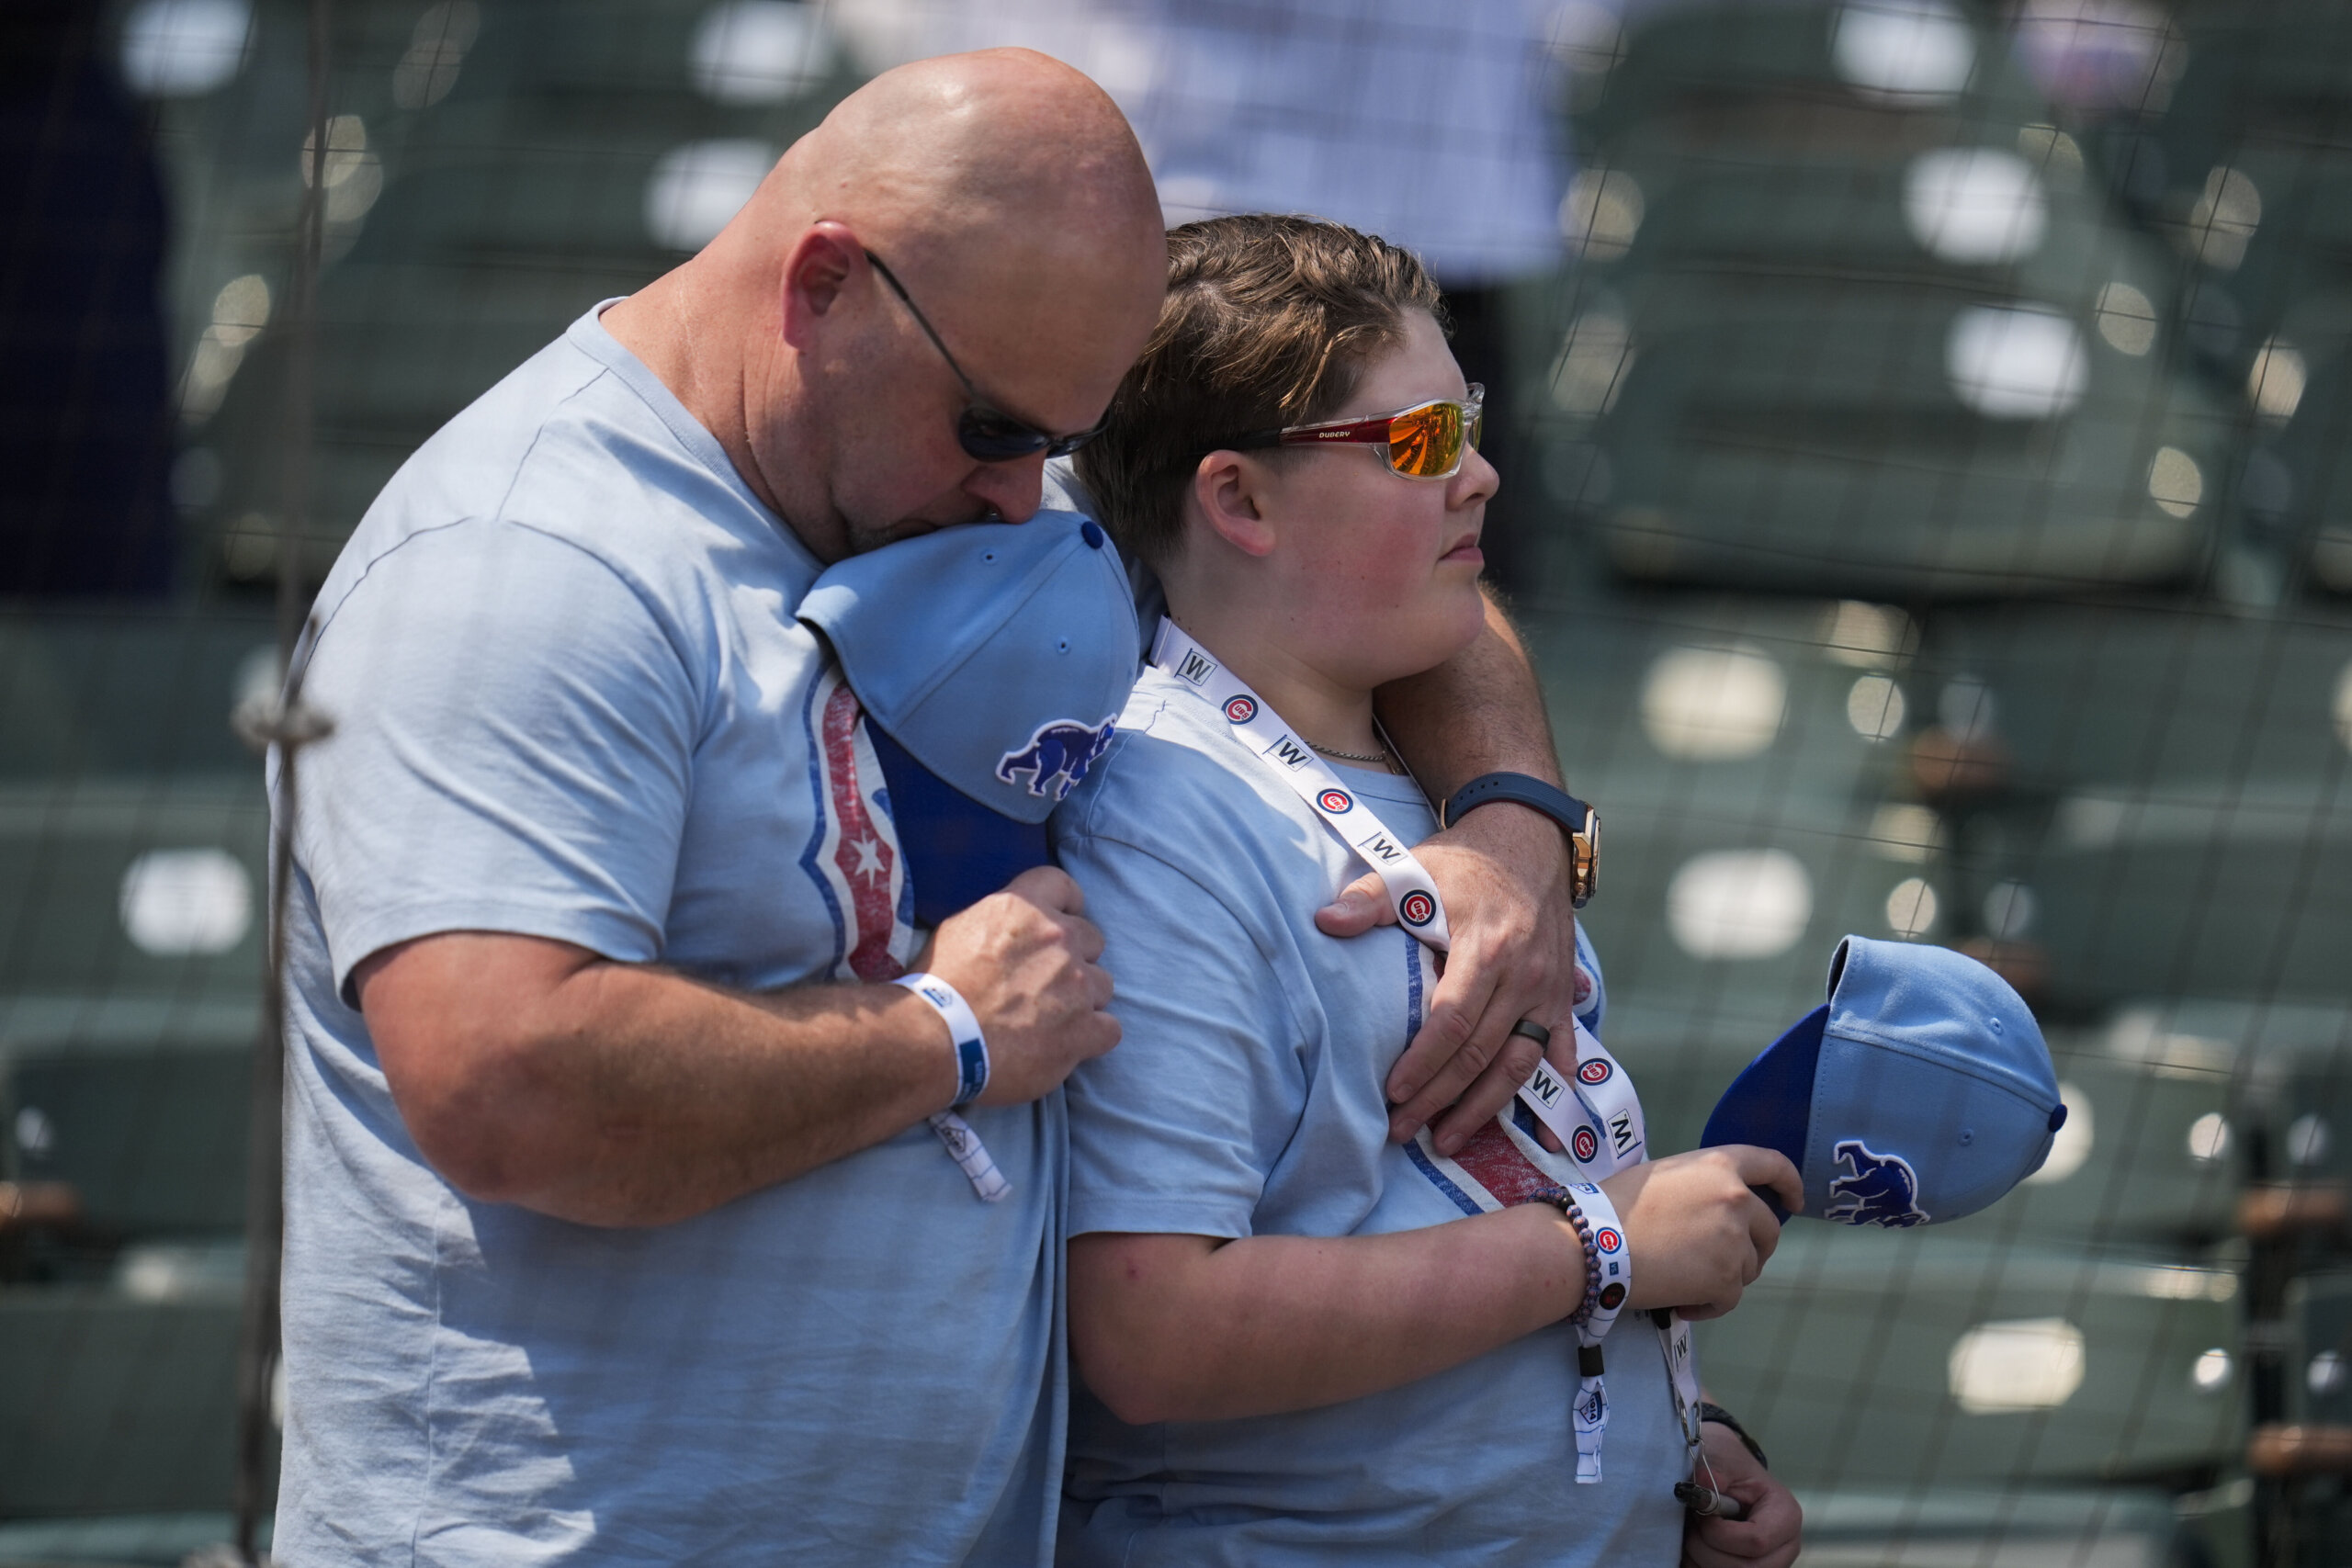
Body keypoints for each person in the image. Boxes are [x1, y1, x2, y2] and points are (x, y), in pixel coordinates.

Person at [276, 51, 1600, 1564]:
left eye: (1063, 442)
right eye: (996, 433)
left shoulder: (960, 458)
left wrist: (1508, 823)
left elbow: (1402, 589)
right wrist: (947, 1033)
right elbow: (501, 1081)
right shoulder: (529, 567)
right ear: (824, 284)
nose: (1029, 495)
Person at [1051, 214, 1805, 1565]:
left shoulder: (1434, 776)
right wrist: (1600, 1251)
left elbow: (1425, 1212)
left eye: (1469, 422)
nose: (1482, 476)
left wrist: (1671, 1447)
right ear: (1239, 501)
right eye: (1419, 445)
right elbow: (1150, 1327)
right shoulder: (1164, 812)